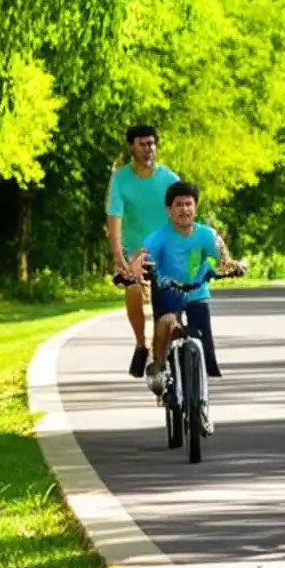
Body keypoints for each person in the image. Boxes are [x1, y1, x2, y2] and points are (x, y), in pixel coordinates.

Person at [128, 182, 238, 414]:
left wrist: (232, 267)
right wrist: (137, 272)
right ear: (169, 210)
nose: (184, 209)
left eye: (189, 204)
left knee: (203, 344)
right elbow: (141, 260)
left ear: (195, 207)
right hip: (167, 293)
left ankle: (201, 399)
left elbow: (224, 258)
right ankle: (158, 365)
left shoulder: (207, 235)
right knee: (167, 323)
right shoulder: (157, 238)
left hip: (197, 293)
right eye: (179, 205)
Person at [106, 125, 181, 378]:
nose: (149, 149)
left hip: (166, 251)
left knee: (170, 313)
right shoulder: (121, 179)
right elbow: (114, 216)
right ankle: (141, 344)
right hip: (135, 251)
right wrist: (119, 257)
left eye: (152, 144)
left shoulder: (170, 180)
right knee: (134, 289)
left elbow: (185, 217)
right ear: (131, 147)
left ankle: (166, 359)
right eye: (142, 144)